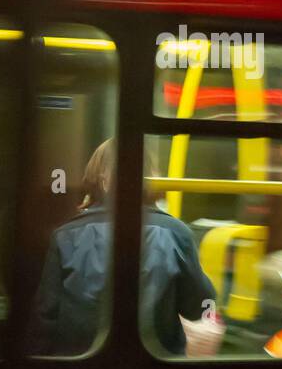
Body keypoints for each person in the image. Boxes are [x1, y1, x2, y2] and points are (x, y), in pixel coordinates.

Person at [29, 138, 215, 357]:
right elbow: (200, 307)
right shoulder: (176, 233)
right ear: (150, 178)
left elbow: (44, 317)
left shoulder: (65, 236)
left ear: (99, 180)